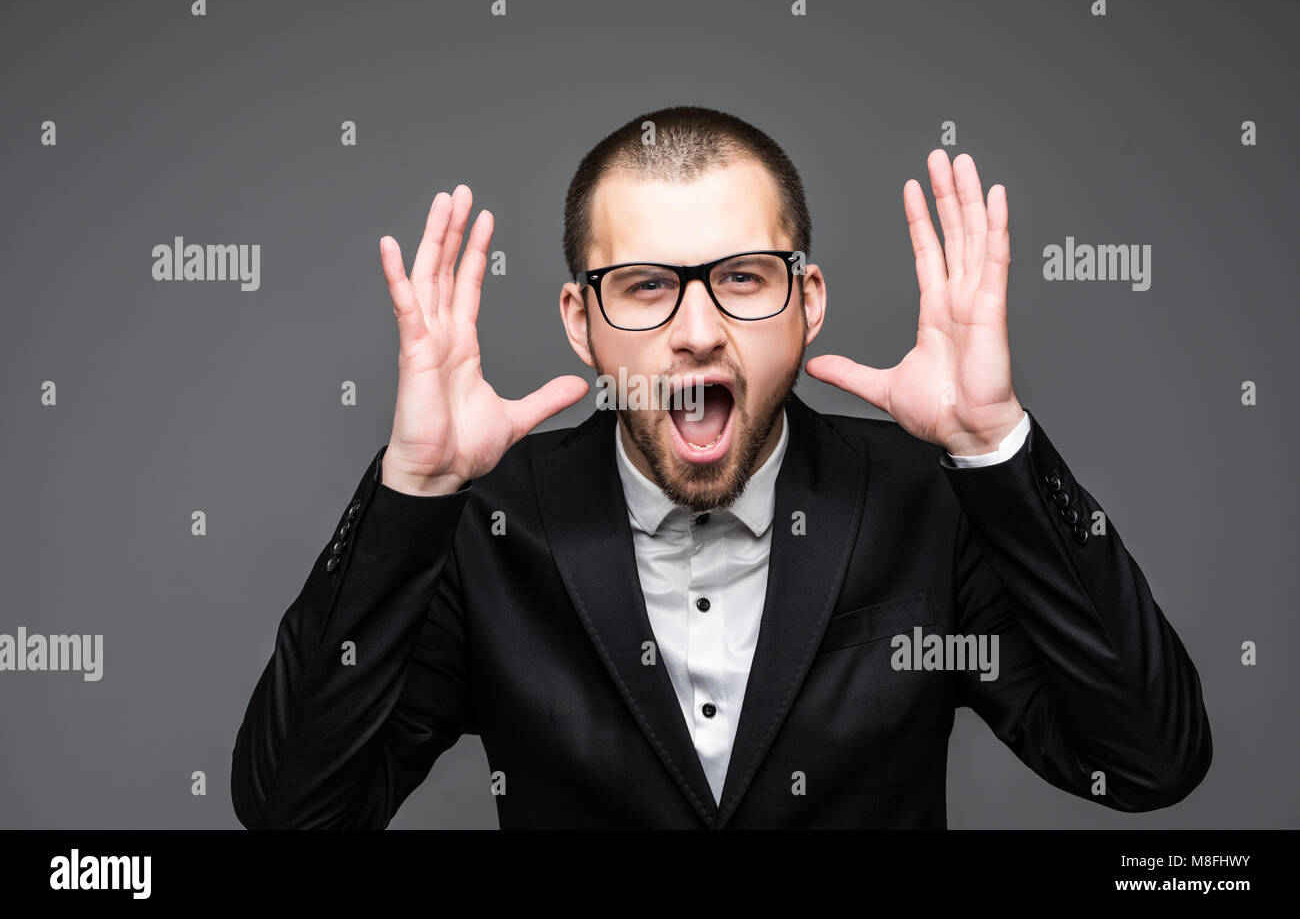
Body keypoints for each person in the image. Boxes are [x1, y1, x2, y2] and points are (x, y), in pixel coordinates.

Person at [230, 106, 1211, 828]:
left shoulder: (926, 498)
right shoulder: (486, 526)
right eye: (646, 286)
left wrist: (995, 444)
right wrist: (414, 486)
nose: (697, 332)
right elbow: (292, 812)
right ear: (582, 322)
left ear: (807, 301)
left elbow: (1148, 760)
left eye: (741, 278)